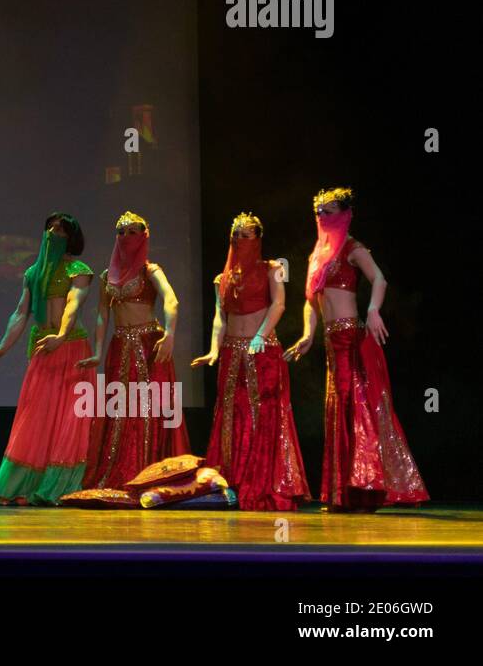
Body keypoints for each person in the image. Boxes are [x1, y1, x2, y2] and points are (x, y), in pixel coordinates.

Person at [284, 188, 428, 511]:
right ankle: (343, 493)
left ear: (345, 214)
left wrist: (374, 310)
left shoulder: (353, 248)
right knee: (338, 412)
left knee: (357, 410)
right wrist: (308, 334)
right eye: (319, 210)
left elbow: (379, 279)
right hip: (331, 344)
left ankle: (364, 490)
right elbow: (311, 302)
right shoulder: (316, 257)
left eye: (330, 210)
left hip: (351, 338)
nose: (323, 216)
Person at [192, 212, 309, 510]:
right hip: (231, 352)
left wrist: (260, 336)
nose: (239, 240)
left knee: (263, 414)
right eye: (236, 235)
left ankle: (264, 484)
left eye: (246, 236)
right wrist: (214, 350)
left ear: (257, 239)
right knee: (231, 415)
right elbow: (220, 316)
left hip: (262, 351)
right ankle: (233, 483)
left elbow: (280, 304)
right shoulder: (222, 278)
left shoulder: (273, 268)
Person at [0, 213, 95, 505]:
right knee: (35, 418)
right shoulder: (32, 273)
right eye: (50, 228)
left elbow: (73, 304)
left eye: (61, 230)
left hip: (71, 348)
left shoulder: (77, 269)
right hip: (43, 348)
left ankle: (56, 487)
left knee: (68, 420)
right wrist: (3, 347)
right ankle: (21, 485)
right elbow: (21, 312)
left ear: (70, 238)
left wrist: (62, 334)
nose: (53, 233)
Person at [80, 211, 191, 489]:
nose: (126, 237)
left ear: (143, 236)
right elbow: (102, 314)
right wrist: (96, 351)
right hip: (120, 347)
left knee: (149, 409)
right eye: (121, 232)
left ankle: (150, 473)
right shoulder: (107, 276)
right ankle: (121, 470)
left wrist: (170, 334)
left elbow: (172, 301)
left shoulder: (150, 270)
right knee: (120, 410)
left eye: (133, 232)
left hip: (149, 346)